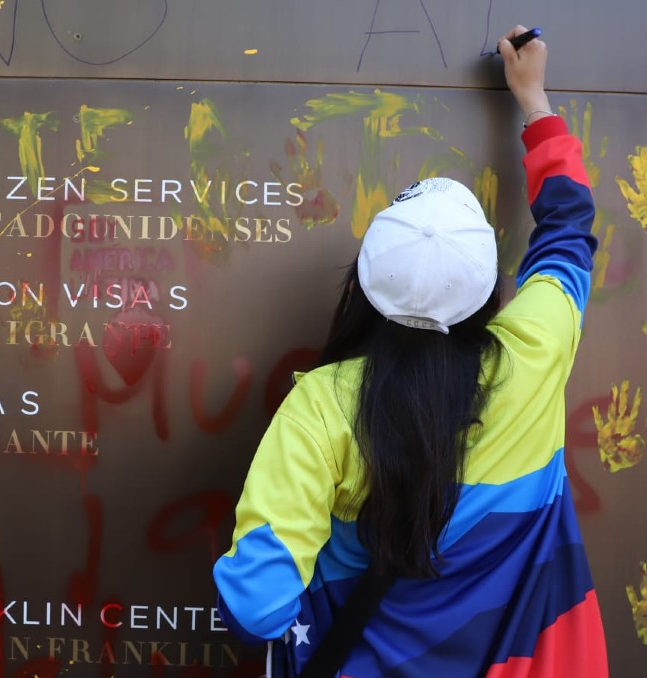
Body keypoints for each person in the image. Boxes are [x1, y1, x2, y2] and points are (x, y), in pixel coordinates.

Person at [213, 25, 609, 677]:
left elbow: (257, 612)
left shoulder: (321, 407)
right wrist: (533, 99)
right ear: (487, 288)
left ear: (365, 281)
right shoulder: (536, 350)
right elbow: (568, 226)